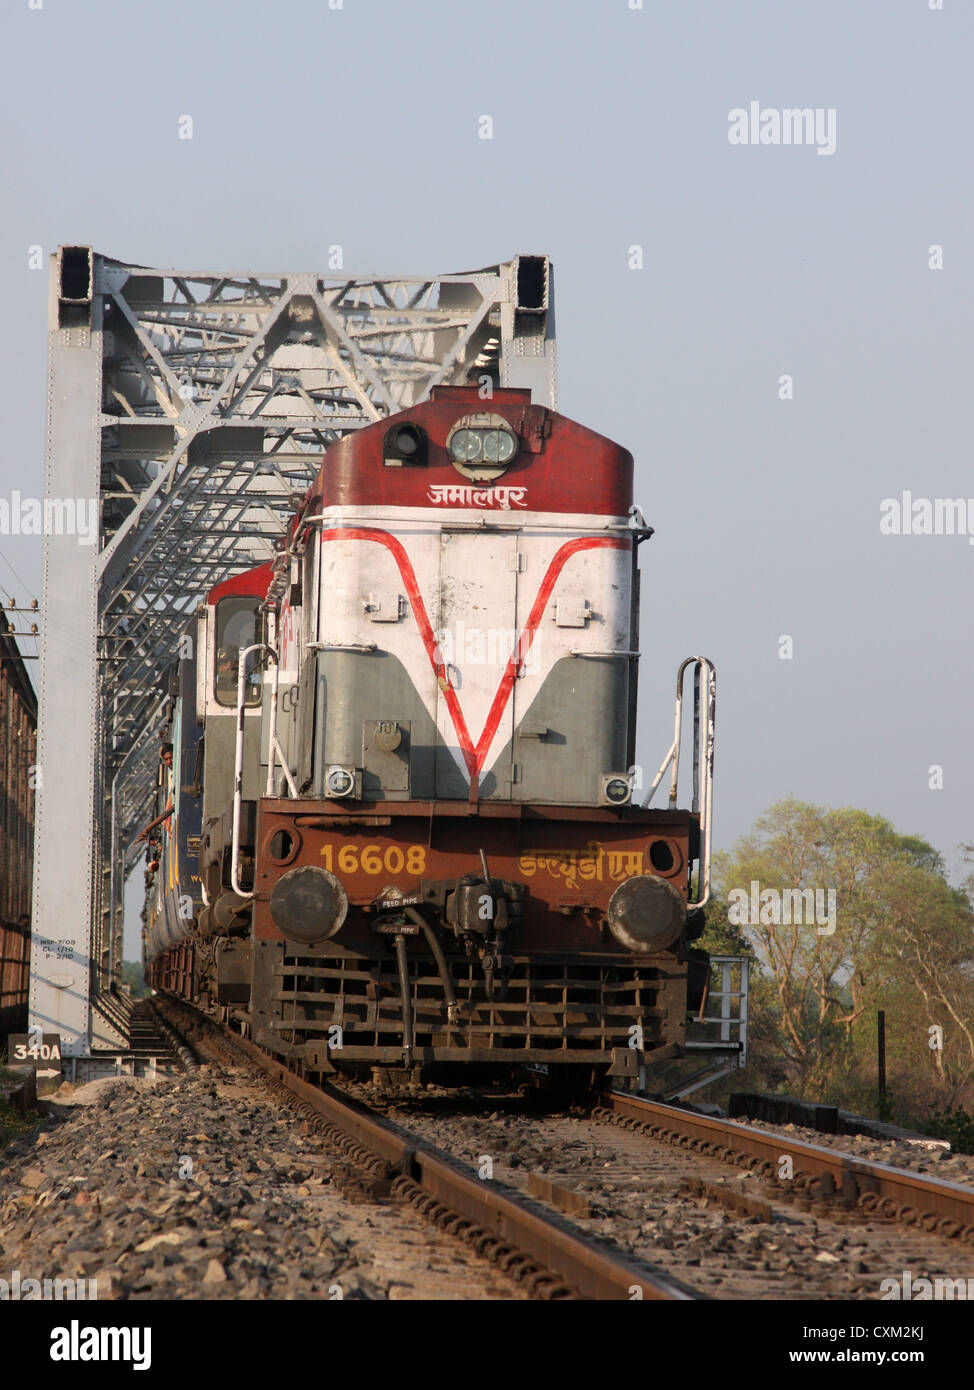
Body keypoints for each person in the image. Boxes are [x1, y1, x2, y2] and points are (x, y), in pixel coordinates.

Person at [136, 744, 174, 843]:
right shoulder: (171, 776)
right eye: (166, 759)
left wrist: (148, 828)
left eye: (171, 758)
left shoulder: (178, 776)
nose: (169, 762)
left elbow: (172, 808)